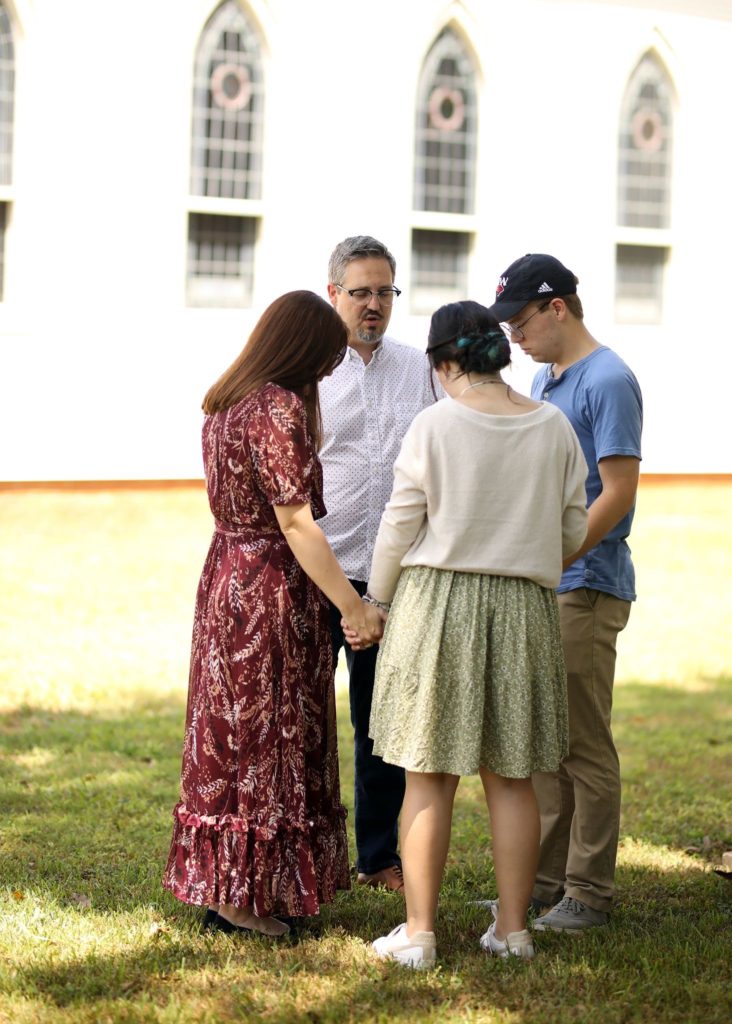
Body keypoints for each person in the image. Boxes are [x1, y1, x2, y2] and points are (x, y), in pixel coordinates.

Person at [360, 300, 588, 967]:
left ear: (441, 362)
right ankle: (513, 931)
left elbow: (400, 525)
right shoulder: (553, 426)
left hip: (438, 604)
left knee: (427, 777)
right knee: (512, 778)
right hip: (524, 608)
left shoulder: (435, 424)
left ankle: (421, 935)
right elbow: (572, 529)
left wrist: (375, 599)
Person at [162, 290, 385, 937]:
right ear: (303, 350)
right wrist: (353, 606)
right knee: (270, 738)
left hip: (226, 580)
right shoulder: (278, 406)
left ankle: (238, 886)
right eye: (324, 359)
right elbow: (295, 521)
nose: (325, 373)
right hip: (269, 594)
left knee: (230, 735)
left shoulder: (223, 402)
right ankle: (241, 902)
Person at [487, 253, 643, 932]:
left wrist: (556, 557)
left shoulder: (606, 379)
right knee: (546, 745)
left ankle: (588, 894)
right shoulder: (546, 379)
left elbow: (619, 493)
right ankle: (542, 886)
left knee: (583, 746)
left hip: (585, 584)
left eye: (521, 321)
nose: (513, 336)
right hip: (548, 581)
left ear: (558, 308)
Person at [319, 235, 438, 893]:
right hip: (319, 572)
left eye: (384, 292)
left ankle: (378, 856)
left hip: (392, 578)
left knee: (381, 725)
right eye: (360, 291)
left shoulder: (420, 371)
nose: (373, 304)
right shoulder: (306, 371)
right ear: (333, 293)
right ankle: (310, 854)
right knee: (304, 724)